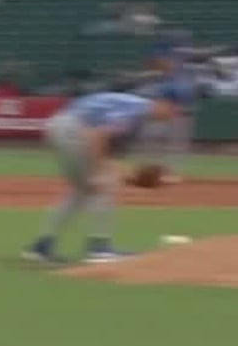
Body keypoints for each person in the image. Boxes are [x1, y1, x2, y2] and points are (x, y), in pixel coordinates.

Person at [22, 83, 191, 264]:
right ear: (162, 102)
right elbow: (98, 135)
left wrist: (133, 179)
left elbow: (109, 155)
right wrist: (97, 173)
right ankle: (99, 248)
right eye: (174, 108)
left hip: (62, 126)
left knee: (82, 191)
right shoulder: (137, 111)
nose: (175, 114)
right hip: (72, 128)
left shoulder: (137, 114)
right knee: (103, 182)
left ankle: (42, 246)